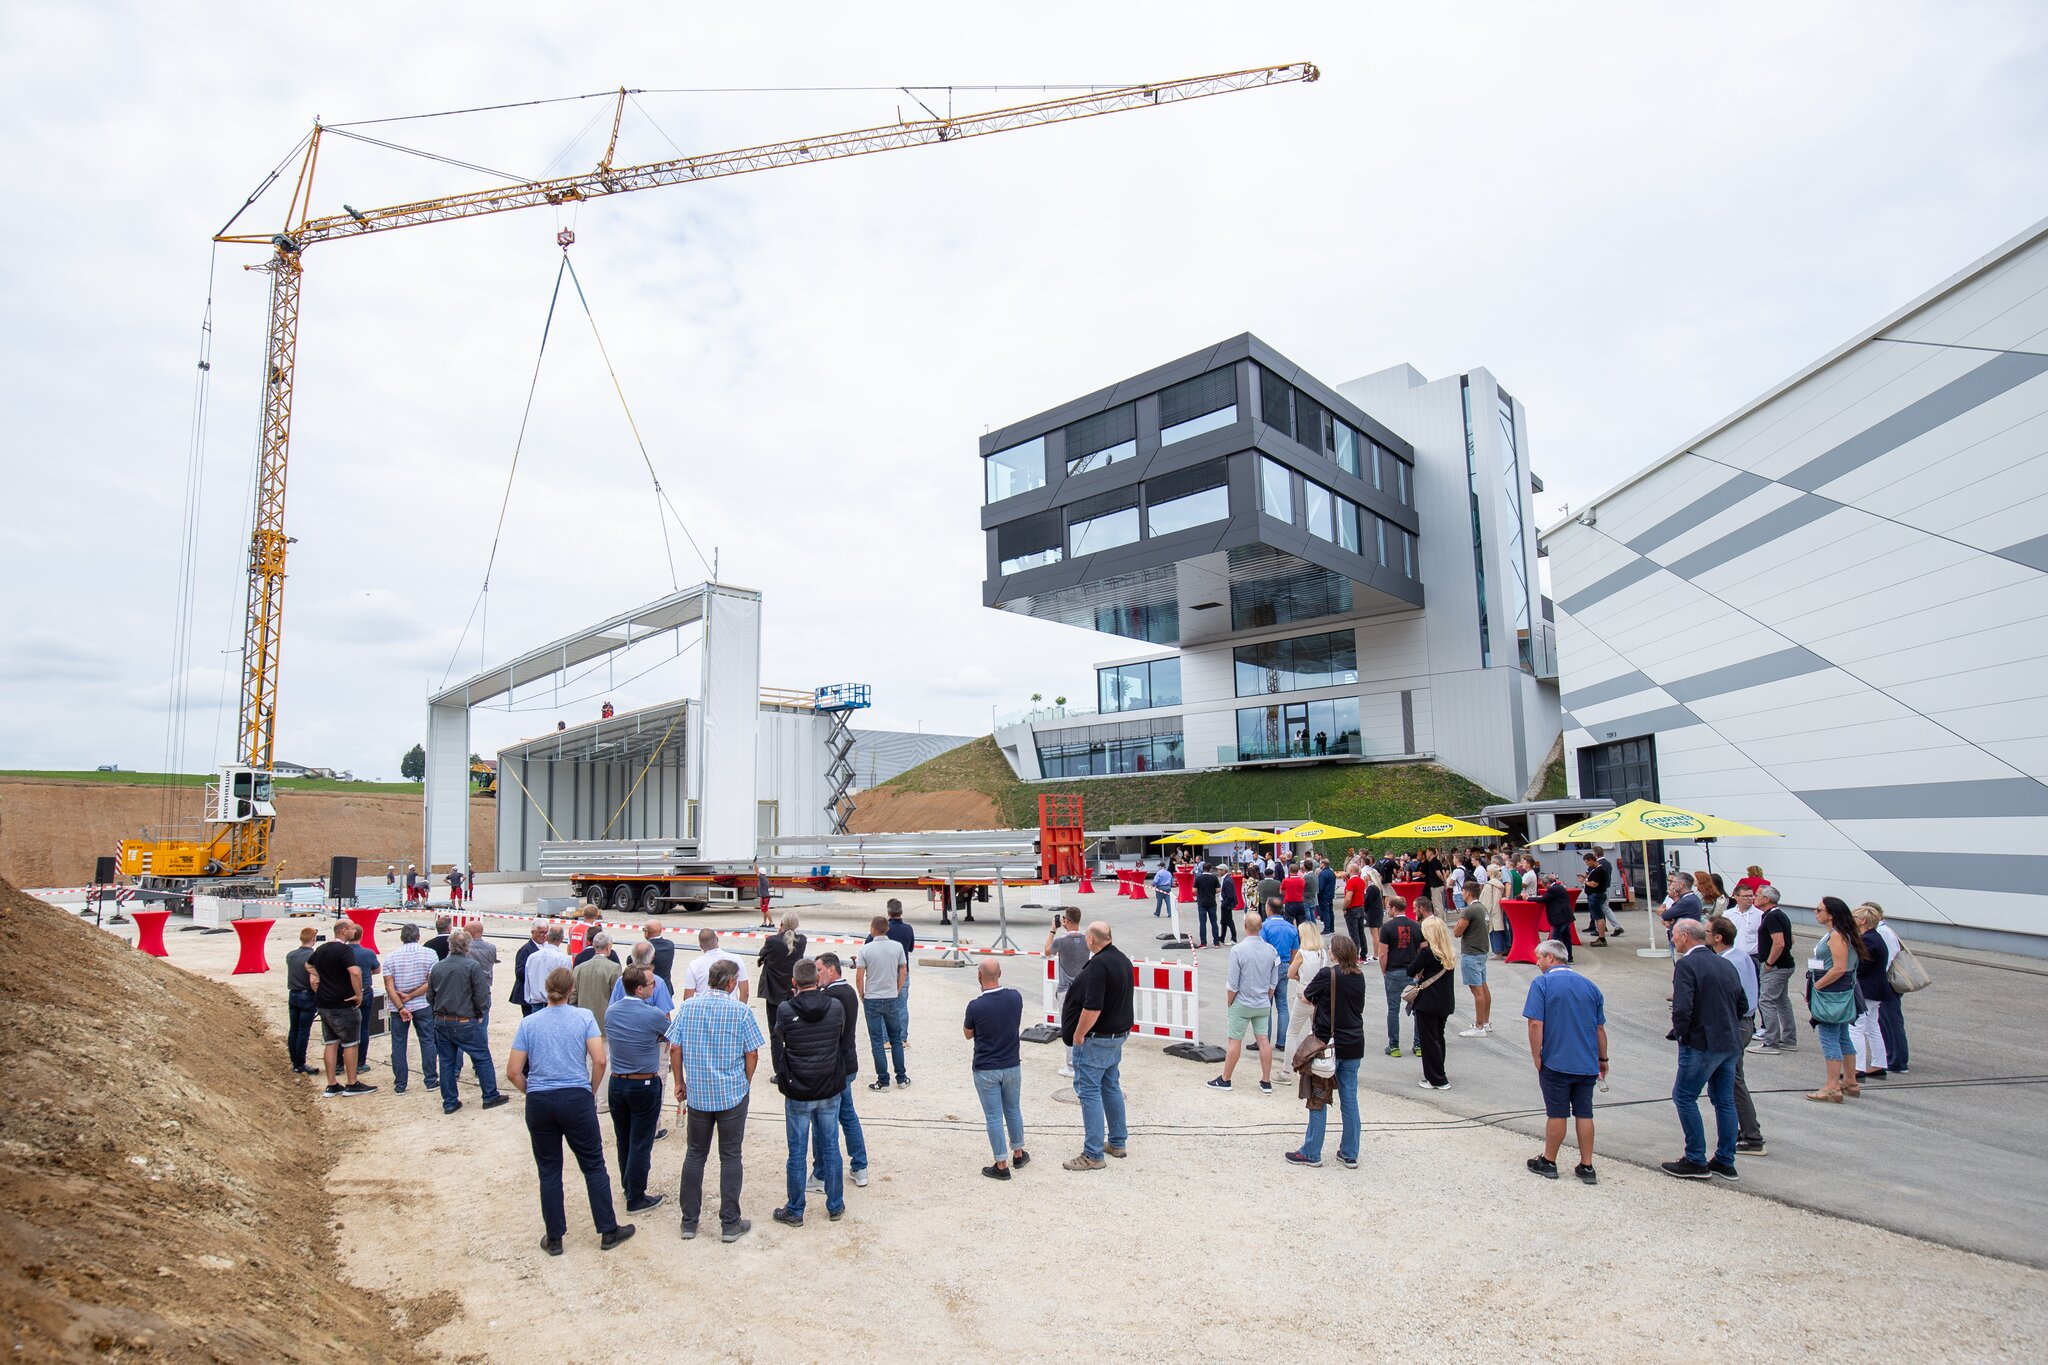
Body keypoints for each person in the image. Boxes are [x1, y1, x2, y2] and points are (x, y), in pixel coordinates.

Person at [508, 967, 634, 1255]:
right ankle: (607, 1229)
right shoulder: (583, 1017)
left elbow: (513, 1071)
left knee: (549, 1170)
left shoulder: (530, 1023)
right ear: (570, 991)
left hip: (540, 1099)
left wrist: (532, 1090)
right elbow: (600, 1060)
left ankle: (554, 1237)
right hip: (575, 1096)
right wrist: (589, 1089)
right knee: (593, 1165)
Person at [666, 957, 764, 1242]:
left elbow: (674, 1048)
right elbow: (752, 1053)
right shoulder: (740, 1012)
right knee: (730, 1155)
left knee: (695, 1154)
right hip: (731, 1093)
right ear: (732, 983)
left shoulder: (688, 1007)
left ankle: (689, 1220)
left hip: (698, 1092)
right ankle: (729, 1223)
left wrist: (679, 1081)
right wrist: (745, 1083)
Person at [1662, 918, 1744, 1180]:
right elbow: (1741, 1003)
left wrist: (1682, 1033)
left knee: (1684, 1096)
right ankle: (1725, 1159)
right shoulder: (1725, 963)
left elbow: (1682, 1006)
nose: (1673, 940)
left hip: (1701, 1041)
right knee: (1724, 1100)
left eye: (1674, 935)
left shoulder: (1686, 965)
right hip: (1728, 1040)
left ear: (1685, 936)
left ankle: (1695, 1158)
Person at [1522, 938, 1607, 1183]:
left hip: (1557, 1058)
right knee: (1585, 1112)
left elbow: (1536, 1023)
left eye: (1539, 957)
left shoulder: (1542, 983)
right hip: (1586, 1059)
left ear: (1550, 958)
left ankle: (1549, 1160)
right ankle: (1587, 1165)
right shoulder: (1589, 986)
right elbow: (1599, 1028)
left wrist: (1536, 1055)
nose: (1537, 962)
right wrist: (1603, 1057)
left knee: (1557, 1112)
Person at [770, 960, 848, 1226]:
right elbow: (838, 1036)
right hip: (828, 1085)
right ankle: (835, 1204)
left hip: (800, 1088)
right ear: (817, 979)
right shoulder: (835, 1007)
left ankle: (795, 1209)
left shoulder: (785, 1009)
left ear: (794, 982)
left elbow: (781, 1039)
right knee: (830, 1147)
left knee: (797, 1151)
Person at [1288, 931, 1367, 1169]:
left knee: (1319, 1096)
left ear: (1335, 953)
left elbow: (1307, 996)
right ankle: (1350, 1151)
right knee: (1349, 1098)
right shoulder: (1358, 976)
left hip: (1328, 1042)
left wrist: (1319, 1002)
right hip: (1353, 1042)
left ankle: (1312, 1151)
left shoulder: (1328, 974)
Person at [1061, 921, 1133, 1172]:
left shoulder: (1098, 967)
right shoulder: (1122, 959)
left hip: (1097, 1038)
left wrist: (1079, 1035)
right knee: (1110, 1085)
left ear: (1091, 940)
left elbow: (1093, 1007)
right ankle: (1117, 1142)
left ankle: (1092, 1154)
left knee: (1089, 1091)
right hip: (1116, 1035)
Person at [605, 966, 673, 1213]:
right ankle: (636, 1196)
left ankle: (628, 1186)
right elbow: (671, 1034)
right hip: (643, 1082)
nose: (654, 987)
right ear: (639, 988)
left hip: (618, 1082)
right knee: (641, 1142)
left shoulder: (612, 1011)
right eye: (651, 984)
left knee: (624, 1139)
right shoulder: (652, 1014)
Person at [427, 930, 507, 1114]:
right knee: (482, 1057)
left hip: (442, 1019)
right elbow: (481, 993)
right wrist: (480, 1013)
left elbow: (430, 995)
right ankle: (490, 1095)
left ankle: (449, 1102)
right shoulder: (472, 966)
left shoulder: (438, 967)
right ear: (468, 947)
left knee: (446, 1062)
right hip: (464, 1020)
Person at [1707, 915, 1767, 1156]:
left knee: (1733, 1081)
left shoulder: (1730, 962)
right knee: (1733, 1080)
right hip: (1744, 1022)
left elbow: (1733, 999)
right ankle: (1747, 1130)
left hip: (1737, 1023)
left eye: (1708, 931)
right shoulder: (1739, 957)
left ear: (1718, 937)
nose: (1706, 934)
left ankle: (1752, 1136)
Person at [964, 960, 1028, 1179]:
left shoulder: (975, 1006)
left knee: (993, 1116)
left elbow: (968, 1033)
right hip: (1011, 1063)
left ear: (979, 976)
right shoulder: (1015, 997)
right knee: (1013, 1109)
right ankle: (1018, 1152)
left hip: (986, 1066)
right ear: (1000, 973)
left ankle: (1001, 1164)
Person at [1207, 906, 1279, 1093]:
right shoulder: (1271, 950)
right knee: (1263, 1039)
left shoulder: (1238, 950)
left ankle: (1226, 1078)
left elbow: (1233, 983)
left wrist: (1230, 1002)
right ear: (1260, 927)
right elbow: (1273, 981)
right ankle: (1265, 1080)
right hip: (1262, 1001)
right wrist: (1266, 997)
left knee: (1234, 1041)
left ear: (1245, 926)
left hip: (1242, 1001)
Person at [813, 953, 870, 1189]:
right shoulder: (847, 992)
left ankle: (821, 1173)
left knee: (823, 1121)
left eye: (818, 970)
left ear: (831, 970)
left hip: (834, 1066)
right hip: (848, 1062)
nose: (816, 975)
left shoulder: (829, 996)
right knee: (847, 1114)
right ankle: (860, 1166)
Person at [382, 922, 441, 1096]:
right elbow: (432, 981)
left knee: (399, 1044)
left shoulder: (391, 957)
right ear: (418, 937)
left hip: (398, 1005)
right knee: (427, 1041)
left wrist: (401, 1005)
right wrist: (412, 996)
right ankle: (431, 1080)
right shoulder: (430, 954)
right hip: (422, 1003)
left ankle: (400, 1084)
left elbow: (389, 986)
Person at [855, 915, 910, 1089]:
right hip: (891, 996)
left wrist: (862, 993)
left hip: (872, 997)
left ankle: (883, 1080)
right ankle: (901, 1078)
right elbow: (903, 970)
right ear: (887, 929)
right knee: (896, 1038)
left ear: (872, 930)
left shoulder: (865, 950)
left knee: (877, 1041)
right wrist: (897, 989)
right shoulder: (897, 947)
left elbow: (859, 976)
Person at [1411, 916, 1458, 1091]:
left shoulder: (1428, 953)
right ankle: (1438, 1071)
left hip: (1428, 1002)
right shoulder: (1449, 952)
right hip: (1444, 1001)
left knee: (1429, 1041)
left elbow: (1411, 969)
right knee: (1438, 1037)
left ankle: (1437, 1078)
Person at [1751, 886, 1798, 1053]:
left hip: (1776, 966)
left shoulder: (1773, 917)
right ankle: (1789, 1039)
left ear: (1767, 899)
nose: (1754, 898)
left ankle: (1771, 1042)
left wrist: (1769, 963)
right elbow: (1789, 939)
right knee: (1781, 1001)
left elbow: (1780, 942)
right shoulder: (1778, 915)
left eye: (1757, 895)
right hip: (1784, 964)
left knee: (1766, 1000)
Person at [1044, 908, 1090, 1078]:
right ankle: (1084, 1061)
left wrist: (1052, 930)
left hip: (1066, 989)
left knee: (1069, 1027)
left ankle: (1071, 1065)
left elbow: (1047, 950)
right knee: (1083, 1026)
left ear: (1066, 921)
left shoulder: (1062, 941)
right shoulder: (1087, 939)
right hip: (1083, 989)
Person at [1850, 903, 1893, 1082]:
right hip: (1876, 988)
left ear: (1863, 921)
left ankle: (1858, 1067)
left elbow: (1863, 965)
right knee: (1872, 1027)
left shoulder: (1868, 940)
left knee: (1856, 1027)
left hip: (1867, 988)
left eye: (1854, 918)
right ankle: (1878, 1063)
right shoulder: (1875, 937)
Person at [1866, 903, 1910, 1073]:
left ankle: (1897, 1061)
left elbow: (1887, 959)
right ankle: (1890, 1057)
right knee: (1884, 1022)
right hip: (1883, 982)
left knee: (1891, 1022)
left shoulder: (1884, 932)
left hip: (1887, 984)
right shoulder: (1882, 931)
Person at [1377, 897, 1424, 1057]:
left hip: (1393, 970)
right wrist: (1420, 970)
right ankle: (1418, 1045)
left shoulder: (1387, 928)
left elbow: (1383, 953)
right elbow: (1423, 950)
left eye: (1388, 907)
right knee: (1417, 1009)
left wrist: (1384, 970)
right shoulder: (1416, 926)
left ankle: (1394, 1045)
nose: (1387, 910)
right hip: (1412, 970)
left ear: (1395, 909)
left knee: (1393, 1009)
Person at [1284, 920, 1328, 1076]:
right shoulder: (1322, 952)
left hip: (1304, 992)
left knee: (1292, 1032)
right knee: (1316, 1032)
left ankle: (1287, 1070)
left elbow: (1290, 973)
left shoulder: (1302, 953)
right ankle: (1316, 1066)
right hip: (1319, 995)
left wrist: (1298, 976)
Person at [1452, 880, 1493, 1038]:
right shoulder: (1482, 908)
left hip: (1471, 952)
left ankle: (1479, 1026)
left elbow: (1457, 932)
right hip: (1482, 951)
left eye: (1463, 892)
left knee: (1476, 990)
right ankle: (1485, 1021)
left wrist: (1457, 926)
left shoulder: (1469, 910)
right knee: (1483, 986)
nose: (1462, 894)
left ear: (1468, 893)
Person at [757, 911, 807, 1029]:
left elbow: (762, 953)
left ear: (781, 924)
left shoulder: (772, 941)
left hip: (773, 988)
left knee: (774, 1030)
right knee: (793, 1027)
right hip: (792, 987)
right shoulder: (802, 941)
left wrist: (778, 934)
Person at [1259, 906, 1300, 1048]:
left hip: (1269, 966)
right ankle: (1282, 1041)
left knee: (1266, 1004)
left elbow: (1261, 948)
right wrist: (1290, 965)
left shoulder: (1265, 926)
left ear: (1269, 909)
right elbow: (1295, 950)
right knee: (1282, 1004)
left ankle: (1264, 1040)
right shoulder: (1291, 927)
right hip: (1284, 965)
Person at [681, 928, 752, 1003]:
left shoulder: (694, 965)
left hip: (703, 1009)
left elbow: (688, 998)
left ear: (701, 946)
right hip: (730, 1006)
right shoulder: (736, 959)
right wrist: (739, 1009)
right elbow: (745, 992)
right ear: (717, 939)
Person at [572, 934, 623, 1037]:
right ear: (608, 946)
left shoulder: (579, 968)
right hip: (605, 1025)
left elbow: (573, 998)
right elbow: (618, 999)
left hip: (583, 1024)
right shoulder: (614, 968)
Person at [285, 924, 320, 1074]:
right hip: (307, 995)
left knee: (294, 1029)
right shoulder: (313, 956)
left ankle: (295, 1060)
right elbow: (314, 978)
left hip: (293, 993)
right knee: (303, 1031)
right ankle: (300, 1063)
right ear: (313, 939)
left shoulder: (291, 955)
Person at [608, 942, 675, 1014]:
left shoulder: (621, 980)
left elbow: (612, 1006)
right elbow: (664, 1014)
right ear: (652, 957)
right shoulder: (657, 982)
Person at [350, 928, 382, 1075]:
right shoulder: (367, 953)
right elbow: (377, 969)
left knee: (343, 1029)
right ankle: (360, 1062)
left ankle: (339, 1063)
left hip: (346, 993)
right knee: (364, 1028)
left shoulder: (343, 952)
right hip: (365, 990)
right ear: (361, 936)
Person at [524, 926, 572, 1017]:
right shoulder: (563, 959)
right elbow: (566, 984)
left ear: (547, 937)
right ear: (561, 939)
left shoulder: (532, 957)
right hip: (555, 1004)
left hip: (536, 1003)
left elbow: (527, 981)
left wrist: (529, 999)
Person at [512, 923, 548, 1018]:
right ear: (533, 932)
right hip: (528, 994)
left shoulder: (547, 948)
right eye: (541, 932)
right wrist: (536, 975)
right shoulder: (525, 949)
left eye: (545, 932)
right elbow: (519, 971)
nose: (543, 935)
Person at [1541, 872, 1576, 963]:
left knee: (1555, 939)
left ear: (1548, 884)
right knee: (1566, 938)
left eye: (1544, 886)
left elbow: (1543, 899)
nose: (1544, 888)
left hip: (1559, 917)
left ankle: (1556, 958)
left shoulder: (1552, 890)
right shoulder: (1559, 887)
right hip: (1566, 916)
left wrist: (1529, 898)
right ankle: (1569, 957)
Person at [1581, 851, 1612, 944]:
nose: (1587, 864)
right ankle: (1601, 937)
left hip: (1596, 895)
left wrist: (1584, 881)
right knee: (1598, 916)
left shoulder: (1599, 870)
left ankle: (1602, 938)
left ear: (1591, 860)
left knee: (1598, 917)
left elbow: (1594, 884)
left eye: (1587, 862)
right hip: (1596, 895)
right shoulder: (1594, 869)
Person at [1193, 861, 1222, 948]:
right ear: (1210, 869)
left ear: (1203, 869)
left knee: (1202, 923)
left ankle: (1203, 943)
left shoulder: (1198, 878)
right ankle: (1216, 942)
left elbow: (1194, 890)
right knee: (1214, 922)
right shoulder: (1214, 878)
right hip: (1212, 902)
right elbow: (1218, 889)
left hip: (1201, 902)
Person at [641, 921, 676, 991]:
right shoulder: (670, 945)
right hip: (666, 988)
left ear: (646, 933)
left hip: (649, 989)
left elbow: (631, 960)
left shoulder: (645, 948)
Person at [1217, 863, 1240, 945]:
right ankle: (1222, 937)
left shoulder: (1227, 880)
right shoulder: (1224, 879)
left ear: (1224, 871)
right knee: (1223, 922)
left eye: (1220, 870)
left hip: (1226, 904)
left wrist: (1224, 903)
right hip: (1225, 902)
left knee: (1229, 921)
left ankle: (1234, 938)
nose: (1218, 871)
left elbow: (1230, 895)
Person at [1315, 857, 1338, 935]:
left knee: (1325, 912)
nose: (1320, 865)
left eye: (1321, 863)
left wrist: (1318, 894)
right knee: (1330, 912)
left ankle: (1327, 929)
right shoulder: (1331, 873)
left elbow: (1320, 886)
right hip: (1330, 894)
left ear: (1323, 864)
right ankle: (1332, 929)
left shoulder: (1323, 874)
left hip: (1324, 896)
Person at [755, 862, 774, 928]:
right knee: (763, 910)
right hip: (764, 897)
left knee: (765, 910)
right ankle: (764, 923)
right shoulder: (765, 878)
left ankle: (771, 923)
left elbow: (756, 870)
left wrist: (754, 863)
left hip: (765, 897)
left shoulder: (762, 878)